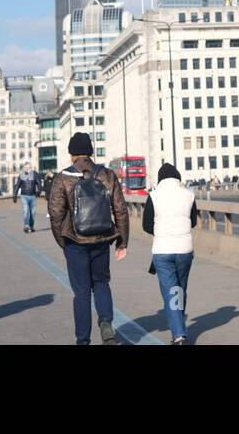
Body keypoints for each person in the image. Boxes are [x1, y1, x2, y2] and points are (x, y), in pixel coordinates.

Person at [48, 132, 129, 345]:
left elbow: (56, 213)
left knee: (81, 293)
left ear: (72, 154)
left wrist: (62, 241)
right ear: (90, 152)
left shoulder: (63, 177)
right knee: (101, 282)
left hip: (75, 242)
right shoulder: (107, 175)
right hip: (102, 240)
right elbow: (120, 210)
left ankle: (83, 340)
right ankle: (105, 322)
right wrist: (122, 241)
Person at [142, 162, 199, 344]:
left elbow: (146, 224)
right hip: (184, 251)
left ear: (160, 180)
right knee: (180, 291)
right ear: (177, 178)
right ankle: (178, 327)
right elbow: (193, 221)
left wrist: (161, 232)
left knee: (171, 292)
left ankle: (179, 334)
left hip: (163, 252)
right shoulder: (189, 195)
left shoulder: (153, 196)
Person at [13, 161, 41, 233]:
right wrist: (14, 196)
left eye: (29, 167)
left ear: (31, 168)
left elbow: (39, 183)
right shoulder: (22, 175)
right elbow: (17, 185)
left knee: (33, 212)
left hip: (33, 196)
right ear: (24, 168)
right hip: (24, 196)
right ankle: (26, 226)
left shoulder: (35, 174)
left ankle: (31, 226)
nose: (28, 169)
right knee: (26, 211)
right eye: (26, 167)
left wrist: (39, 192)